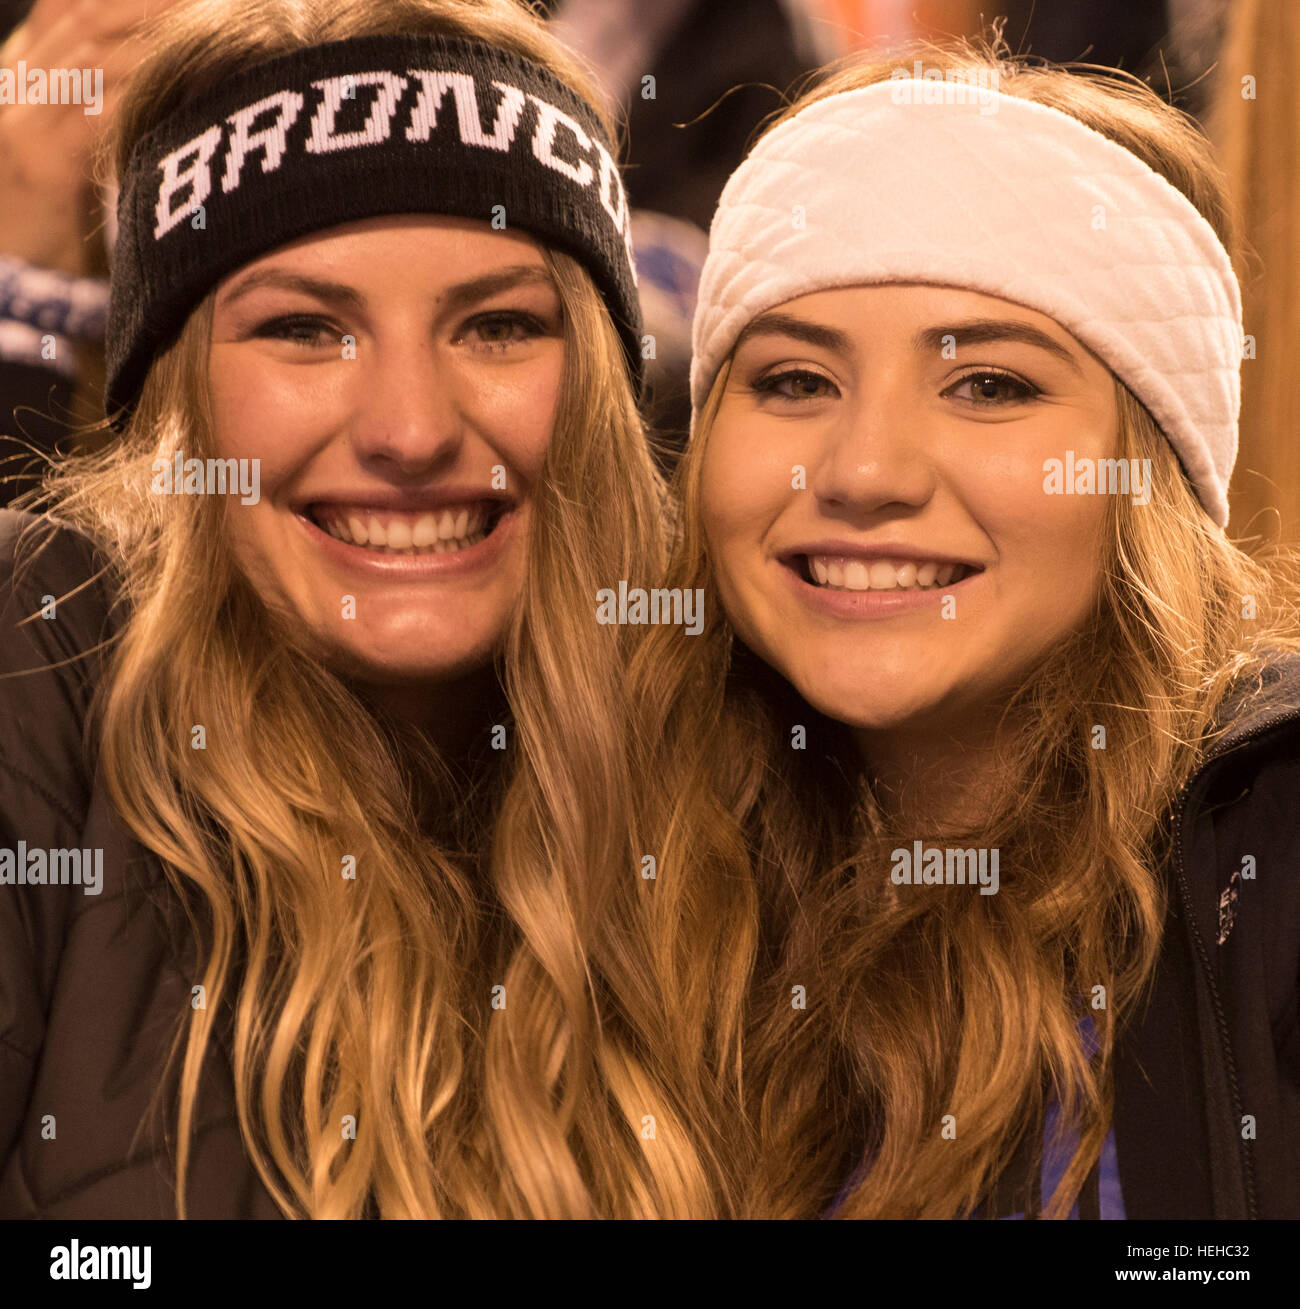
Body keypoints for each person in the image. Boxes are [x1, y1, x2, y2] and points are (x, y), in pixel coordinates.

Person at [0, 0, 718, 1219]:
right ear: (178, 401)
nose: (409, 431)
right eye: (303, 329)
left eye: (498, 326)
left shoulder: (734, 763)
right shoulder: (36, 650)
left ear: (598, 386)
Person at [634, 38, 1300, 1218]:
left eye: (988, 384)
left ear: (1148, 470)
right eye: (792, 381)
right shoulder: (609, 873)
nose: (865, 469)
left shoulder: (1272, 843)